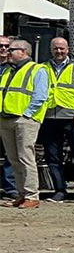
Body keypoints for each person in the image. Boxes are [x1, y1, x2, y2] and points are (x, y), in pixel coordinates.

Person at [0, 39, 51, 208]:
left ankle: (32, 195)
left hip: (24, 120)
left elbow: (41, 95)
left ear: (23, 51)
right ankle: (21, 194)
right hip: (6, 118)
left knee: (26, 158)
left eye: (11, 49)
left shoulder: (38, 70)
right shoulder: (8, 70)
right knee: (14, 159)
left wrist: (27, 115)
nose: (7, 52)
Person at [40, 37, 74, 204]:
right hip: (49, 117)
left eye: (62, 48)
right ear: (51, 49)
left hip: (72, 117)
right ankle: (59, 191)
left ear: (68, 49)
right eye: (56, 48)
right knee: (53, 157)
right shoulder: (43, 68)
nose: (59, 51)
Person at [0, 35, 16, 200]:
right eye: (1, 46)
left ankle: (10, 188)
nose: (4, 49)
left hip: (6, 115)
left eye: (7, 47)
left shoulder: (14, 69)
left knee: (10, 155)